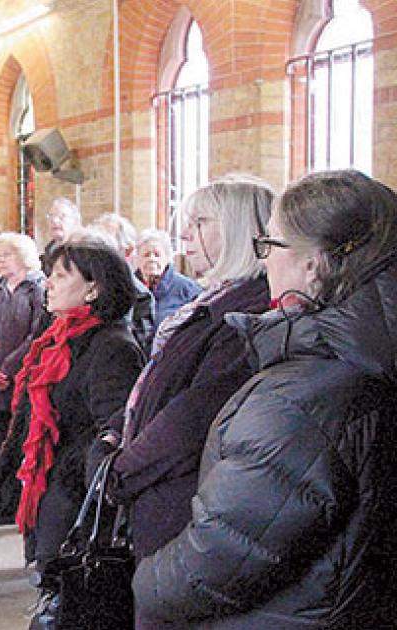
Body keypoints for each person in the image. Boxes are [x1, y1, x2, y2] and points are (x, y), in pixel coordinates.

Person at [133, 170, 397, 627]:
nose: (266, 259)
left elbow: (215, 562)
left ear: (313, 264)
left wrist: (143, 582)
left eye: (271, 244)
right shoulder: (363, 356)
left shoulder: (299, 396)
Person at [107, 176, 273, 629]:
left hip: (182, 503)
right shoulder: (216, 301)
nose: (185, 235)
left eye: (200, 223)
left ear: (240, 230)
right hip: (161, 495)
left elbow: (192, 417)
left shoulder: (246, 314)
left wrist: (121, 471)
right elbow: (157, 387)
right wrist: (114, 432)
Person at [2, 232, 144, 622]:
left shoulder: (112, 347)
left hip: (75, 504)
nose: (48, 283)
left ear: (93, 289)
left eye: (61, 276)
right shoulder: (59, 338)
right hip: (52, 492)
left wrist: (67, 479)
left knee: (72, 607)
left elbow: (114, 434)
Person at [0, 233, 47, 526]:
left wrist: (9, 367)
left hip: (21, 375)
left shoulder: (36, 289)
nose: (0, 260)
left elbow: (37, 333)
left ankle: (15, 502)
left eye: (7, 255)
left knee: (17, 439)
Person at [90, 212, 158, 355]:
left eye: (104, 245)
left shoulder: (140, 296)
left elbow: (135, 350)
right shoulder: (87, 286)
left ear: (127, 251)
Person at [134, 228, 201, 324]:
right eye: (146, 255)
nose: (152, 259)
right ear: (137, 259)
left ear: (167, 258)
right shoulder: (128, 287)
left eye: (157, 255)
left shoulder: (188, 289)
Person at [40, 198, 81, 269]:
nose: (54, 220)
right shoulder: (47, 253)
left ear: (75, 221)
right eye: (51, 216)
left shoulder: (83, 252)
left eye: (62, 216)